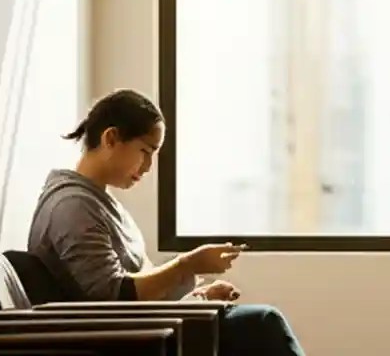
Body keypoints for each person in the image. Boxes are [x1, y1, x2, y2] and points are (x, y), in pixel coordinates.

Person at [27, 88, 306, 356]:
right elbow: (116, 296)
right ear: (111, 138)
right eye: (145, 151)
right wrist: (188, 264)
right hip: (124, 342)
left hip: (143, 330)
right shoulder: (73, 207)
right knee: (263, 324)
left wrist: (196, 298)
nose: (148, 167)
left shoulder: (97, 203)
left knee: (259, 325)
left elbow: (136, 291)